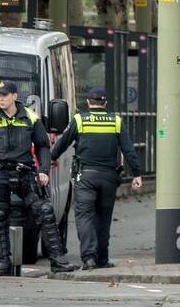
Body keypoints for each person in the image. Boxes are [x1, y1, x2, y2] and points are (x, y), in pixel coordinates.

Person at [0, 80, 77, 275]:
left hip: (25, 173)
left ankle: (57, 260)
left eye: (4, 95)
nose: (0, 99)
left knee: (44, 210)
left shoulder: (30, 117)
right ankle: (3, 263)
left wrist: (43, 170)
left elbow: (43, 146)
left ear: (14, 96)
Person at [49, 87, 142, 270]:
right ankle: (102, 259)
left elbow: (63, 142)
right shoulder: (116, 121)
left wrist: (52, 158)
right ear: (105, 103)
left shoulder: (80, 119)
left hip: (86, 176)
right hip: (109, 177)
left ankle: (89, 258)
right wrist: (136, 174)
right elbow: (128, 149)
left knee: (85, 217)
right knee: (103, 218)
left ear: (89, 103)